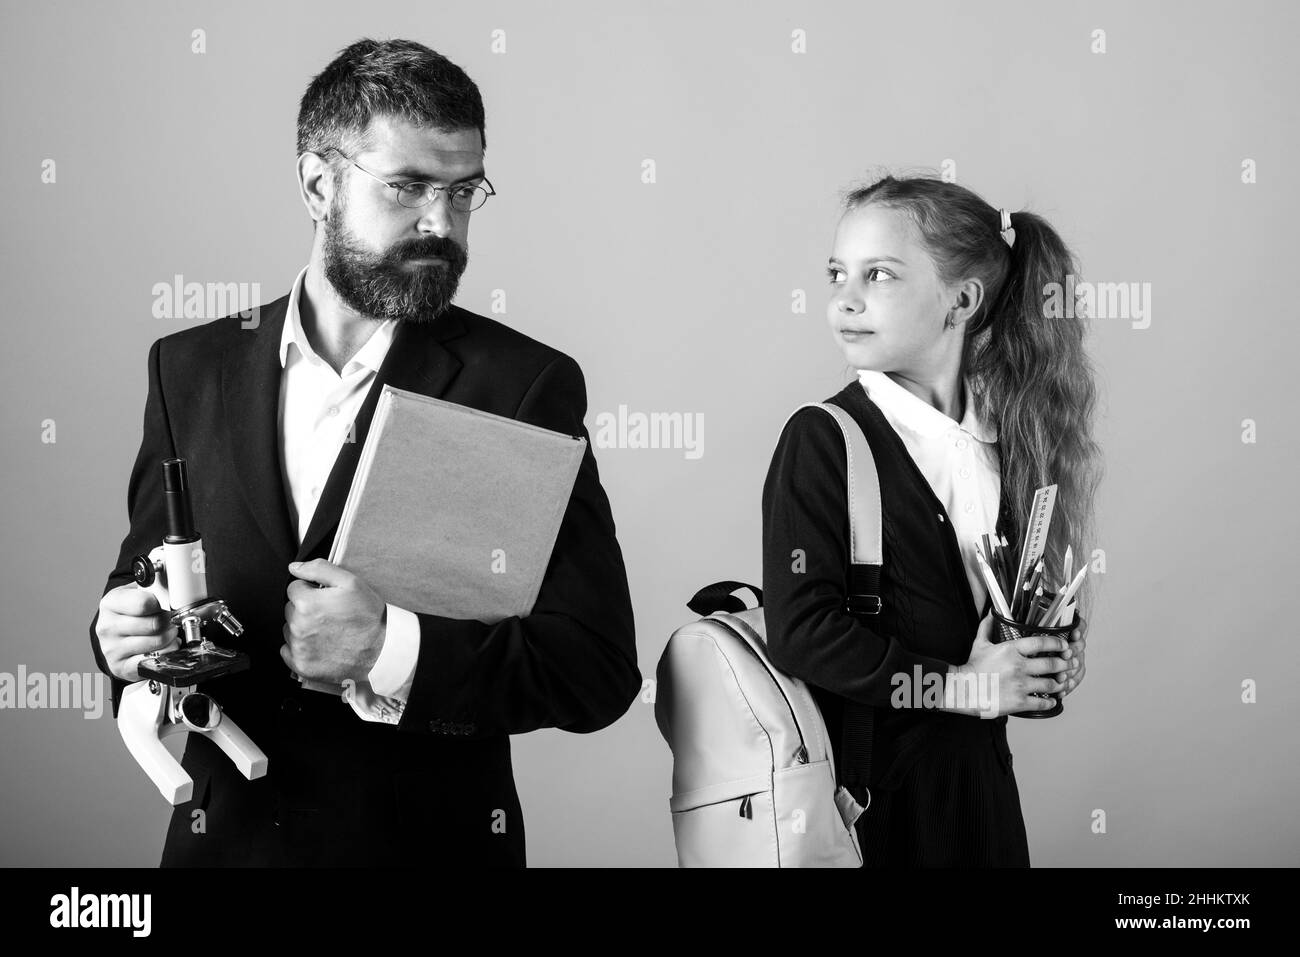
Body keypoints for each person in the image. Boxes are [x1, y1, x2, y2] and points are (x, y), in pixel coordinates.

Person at [89, 38, 640, 867]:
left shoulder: (524, 385)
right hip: (222, 848)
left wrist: (391, 648)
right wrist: (117, 638)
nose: (441, 224)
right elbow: (148, 574)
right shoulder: (188, 367)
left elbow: (594, 668)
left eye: (463, 192)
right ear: (318, 183)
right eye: (409, 187)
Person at [762, 175, 1100, 867]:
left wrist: (1038, 662)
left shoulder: (1008, 442)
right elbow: (801, 632)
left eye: (879, 275)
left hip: (981, 799)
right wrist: (962, 686)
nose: (843, 301)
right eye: (837, 275)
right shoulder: (824, 438)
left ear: (964, 299)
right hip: (872, 809)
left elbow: (994, 620)